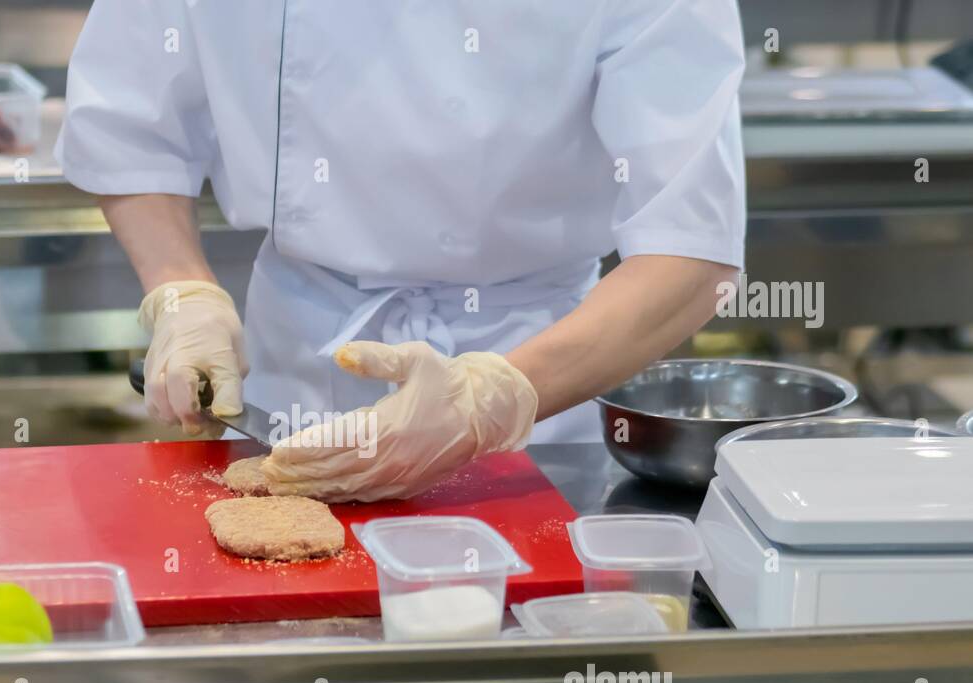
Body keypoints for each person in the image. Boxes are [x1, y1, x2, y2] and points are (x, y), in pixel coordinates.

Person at [57, 1, 745, 502]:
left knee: (518, 656)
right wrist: (183, 292)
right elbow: (129, 125)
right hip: (294, 382)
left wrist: (489, 400)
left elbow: (690, 254)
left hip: (539, 402)